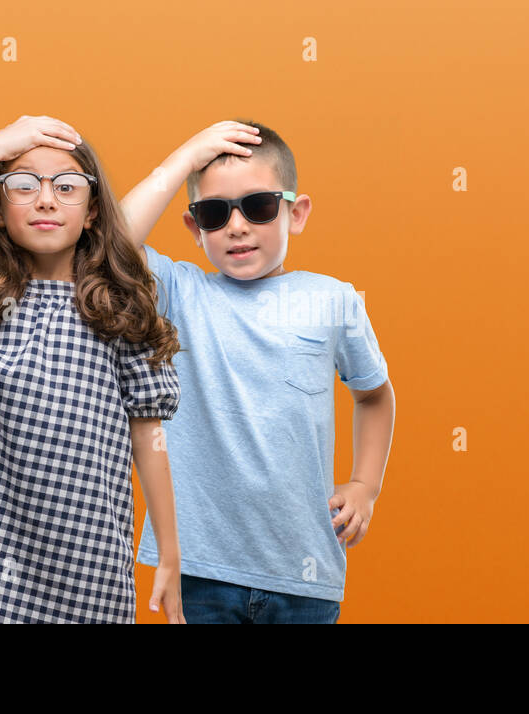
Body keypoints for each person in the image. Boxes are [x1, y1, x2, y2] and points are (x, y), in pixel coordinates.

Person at [0, 115, 192, 623]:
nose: (46, 199)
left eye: (67, 187)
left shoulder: (119, 306)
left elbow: (148, 433)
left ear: (93, 212)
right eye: (23, 186)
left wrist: (170, 551)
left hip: (81, 562)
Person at [119, 120, 397, 623]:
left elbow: (374, 394)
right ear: (194, 227)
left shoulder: (331, 299)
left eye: (260, 206)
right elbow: (109, 246)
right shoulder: (180, 293)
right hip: (202, 572)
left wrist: (365, 484)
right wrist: (185, 157)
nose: (237, 226)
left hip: (305, 575)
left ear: (296, 212)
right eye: (214, 212)